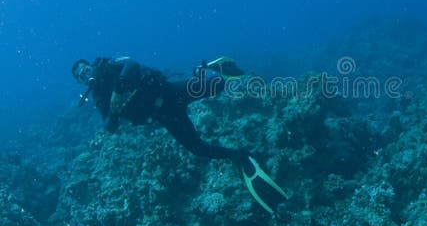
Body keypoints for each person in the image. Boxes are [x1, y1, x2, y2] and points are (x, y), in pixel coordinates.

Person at [71, 55, 288, 214]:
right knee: (197, 148)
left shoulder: (108, 66)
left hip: (170, 92)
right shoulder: (99, 97)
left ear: (90, 66)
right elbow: (109, 126)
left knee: (218, 85)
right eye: (80, 76)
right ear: (81, 82)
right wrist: (114, 109)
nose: (85, 74)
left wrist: (119, 88)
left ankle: (210, 69)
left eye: (85, 69)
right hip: (164, 115)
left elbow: (131, 63)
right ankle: (238, 155)